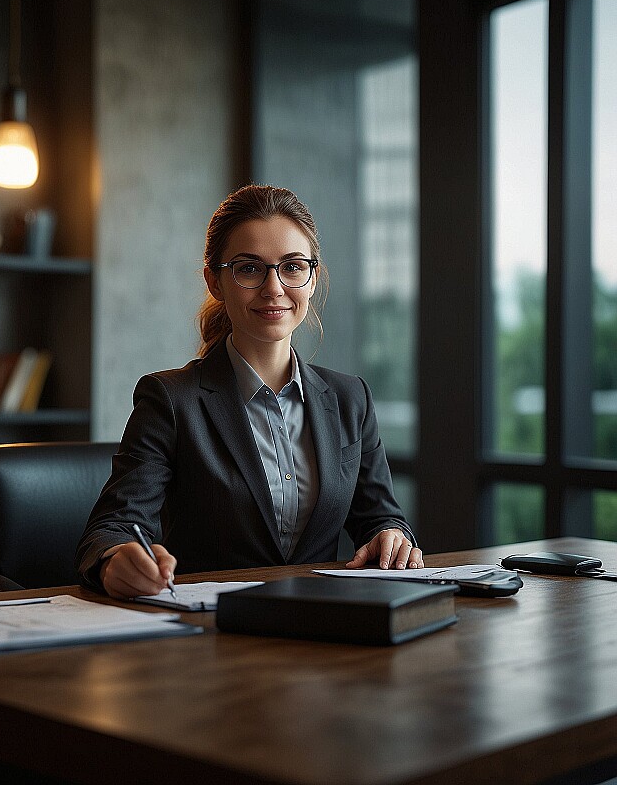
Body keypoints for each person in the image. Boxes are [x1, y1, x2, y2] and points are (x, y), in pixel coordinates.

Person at [76, 184, 422, 598]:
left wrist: (392, 536)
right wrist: (117, 561)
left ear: (312, 278)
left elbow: (381, 517)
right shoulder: (170, 400)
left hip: (324, 634)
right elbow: (112, 527)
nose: (274, 287)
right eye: (249, 268)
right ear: (215, 281)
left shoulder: (350, 399)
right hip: (215, 636)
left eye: (292, 266)